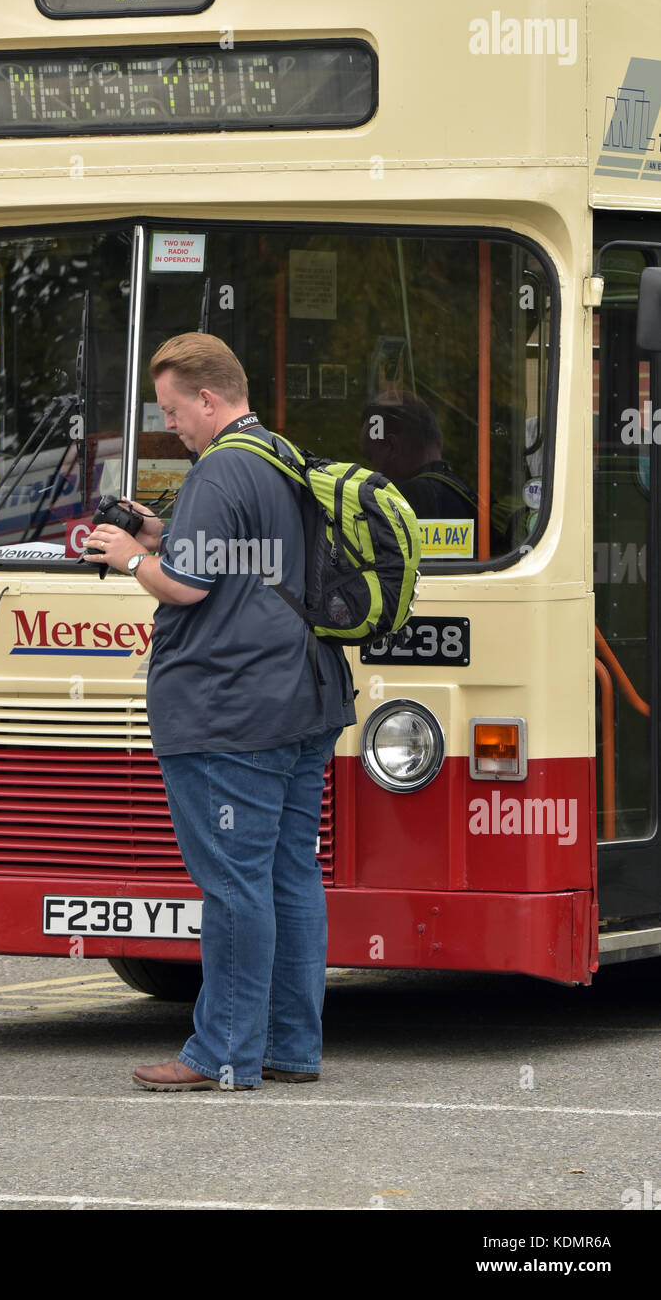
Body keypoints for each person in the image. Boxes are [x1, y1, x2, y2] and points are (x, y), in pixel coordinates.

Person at [86, 332, 356, 1091]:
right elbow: (243, 562)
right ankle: (291, 1047)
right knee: (289, 875)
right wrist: (161, 536)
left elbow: (190, 588)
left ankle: (224, 1053)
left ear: (209, 398)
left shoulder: (217, 471)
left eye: (174, 410)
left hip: (232, 710)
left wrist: (130, 557)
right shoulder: (281, 456)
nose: (170, 425)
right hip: (306, 699)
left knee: (235, 883)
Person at [360, 391, 481, 555]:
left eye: (371, 457)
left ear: (392, 446)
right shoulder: (460, 491)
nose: (372, 469)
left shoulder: (406, 498)